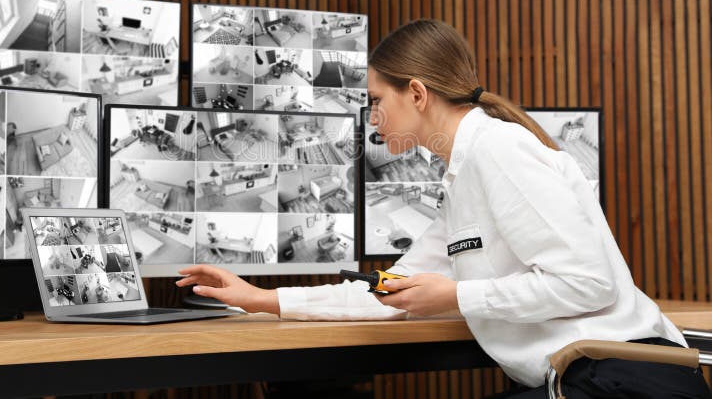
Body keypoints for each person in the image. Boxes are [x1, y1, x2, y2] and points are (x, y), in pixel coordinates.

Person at [177, 20, 711, 398]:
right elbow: (391, 292)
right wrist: (259, 298)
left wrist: (458, 295)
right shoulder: (462, 177)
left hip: (626, 379)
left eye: (377, 101)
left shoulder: (500, 151)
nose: (373, 118)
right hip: (585, 379)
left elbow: (588, 282)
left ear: (416, 93)